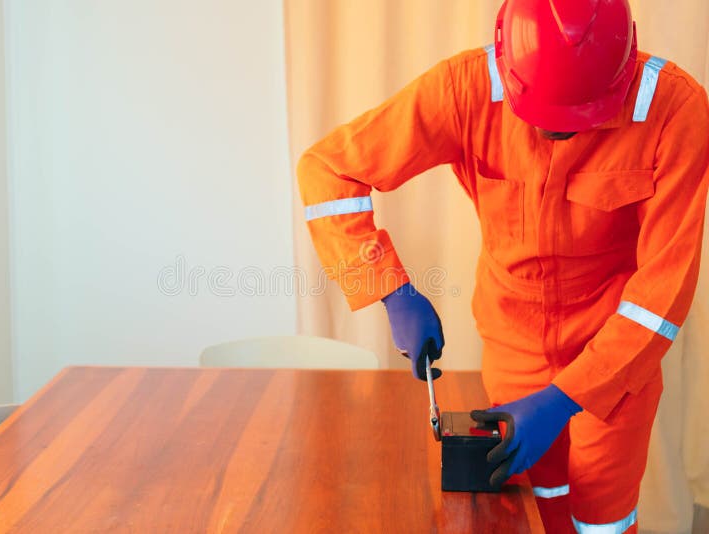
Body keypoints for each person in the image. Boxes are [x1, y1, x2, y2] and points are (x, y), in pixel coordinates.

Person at [295, 0, 709, 532]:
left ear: (622, 70)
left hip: (617, 363)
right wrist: (388, 288)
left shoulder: (673, 111)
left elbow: (661, 295)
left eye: (581, 120)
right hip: (513, 347)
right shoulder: (464, 89)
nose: (559, 136)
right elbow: (327, 171)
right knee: (524, 514)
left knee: (601, 521)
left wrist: (566, 399)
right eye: (544, 121)